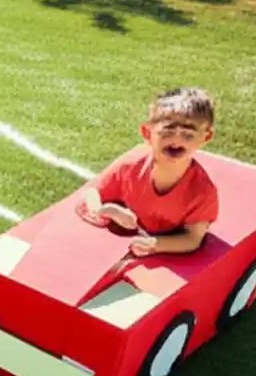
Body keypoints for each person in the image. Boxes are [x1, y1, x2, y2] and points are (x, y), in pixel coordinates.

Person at [79, 87, 219, 256]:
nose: (176, 140)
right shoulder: (130, 166)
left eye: (188, 134)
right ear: (147, 133)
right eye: (167, 131)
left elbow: (192, 239)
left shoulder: (201, 192)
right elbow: (92, 192)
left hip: (163, 255)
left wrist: (155, 244)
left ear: (205, 137)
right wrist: (104, 211)